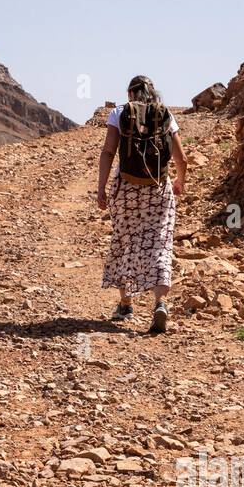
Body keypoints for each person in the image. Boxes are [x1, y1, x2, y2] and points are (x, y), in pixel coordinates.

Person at [97, 75, 187, 333]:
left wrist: (101, 188)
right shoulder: (165, 114)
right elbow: (181, 157)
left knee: (126, 241)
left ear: (129, 94)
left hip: (126, 189)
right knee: (159, 243)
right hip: (158, 189)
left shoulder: (118, 113)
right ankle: (160, 301)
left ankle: (125, 305)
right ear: (152, 93)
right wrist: (179, 182)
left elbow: (107, 152)